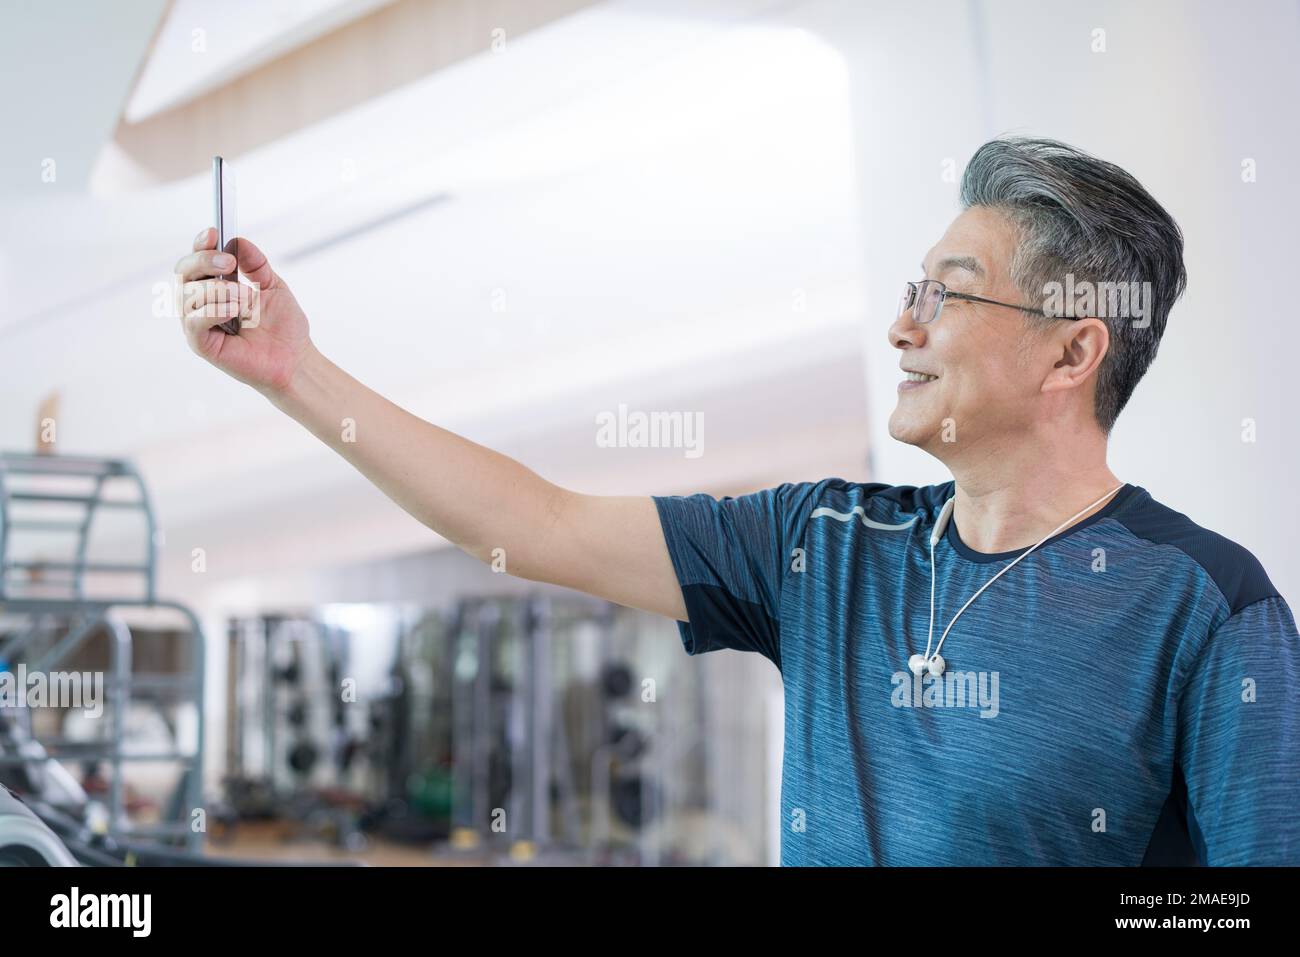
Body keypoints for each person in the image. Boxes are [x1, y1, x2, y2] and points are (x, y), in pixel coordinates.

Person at [176, 136, 1298, 866]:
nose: (903, 325)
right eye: (909, 292)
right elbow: (531, 524)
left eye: (946, 298)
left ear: (1071, 355)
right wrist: (294, 370)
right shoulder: (822, 544)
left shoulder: (1207, 605)